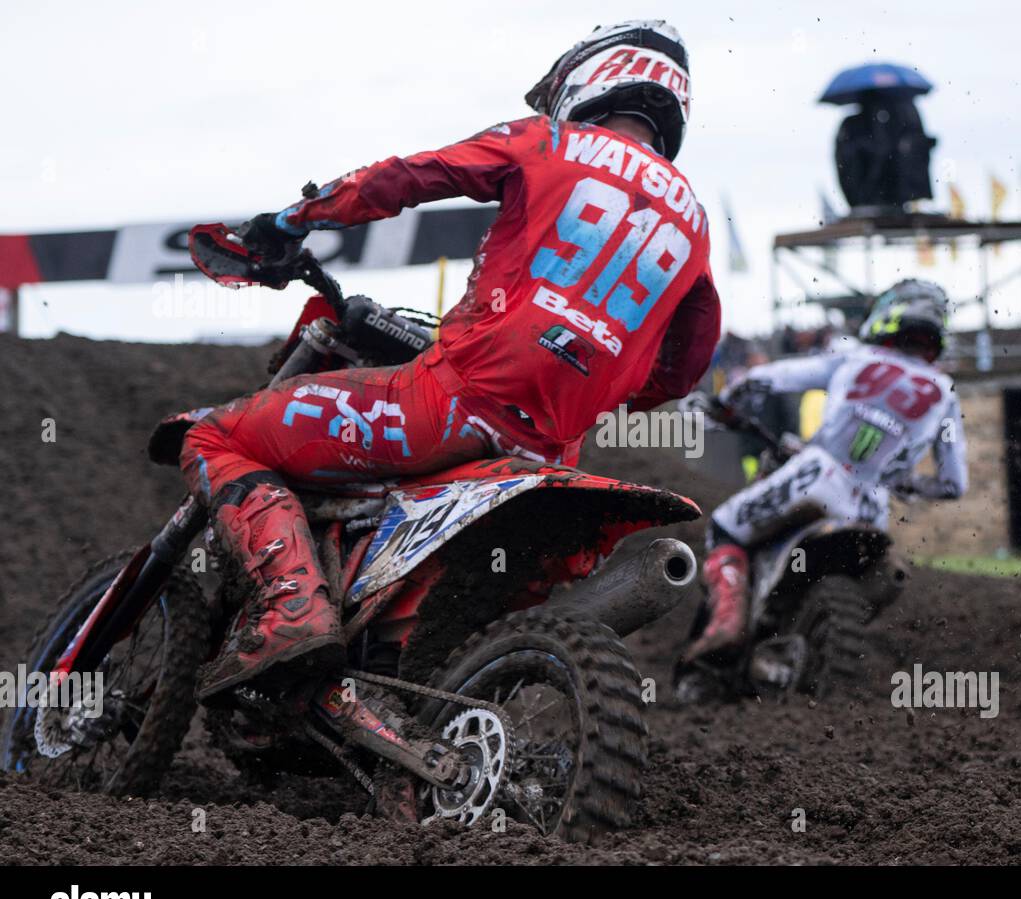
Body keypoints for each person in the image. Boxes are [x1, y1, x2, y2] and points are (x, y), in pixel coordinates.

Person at [181, 20, 720, 700]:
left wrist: (293, 220)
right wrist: (587, 379)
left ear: (590, 79)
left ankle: (293, 608)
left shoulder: (548, 141)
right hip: (550, 456)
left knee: (216, 434)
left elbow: (412, 176)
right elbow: (683, 369)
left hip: (448, 406)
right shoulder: (695, 223)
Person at [681, 278, 966, 669]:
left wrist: (725, 405)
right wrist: (905, 482)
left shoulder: (855, 358)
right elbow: (953, 483)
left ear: (890, 316)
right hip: (873, 506)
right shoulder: (945, 392)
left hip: (817, 476)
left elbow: (766, 378)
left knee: (725, 527)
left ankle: (726, 625)